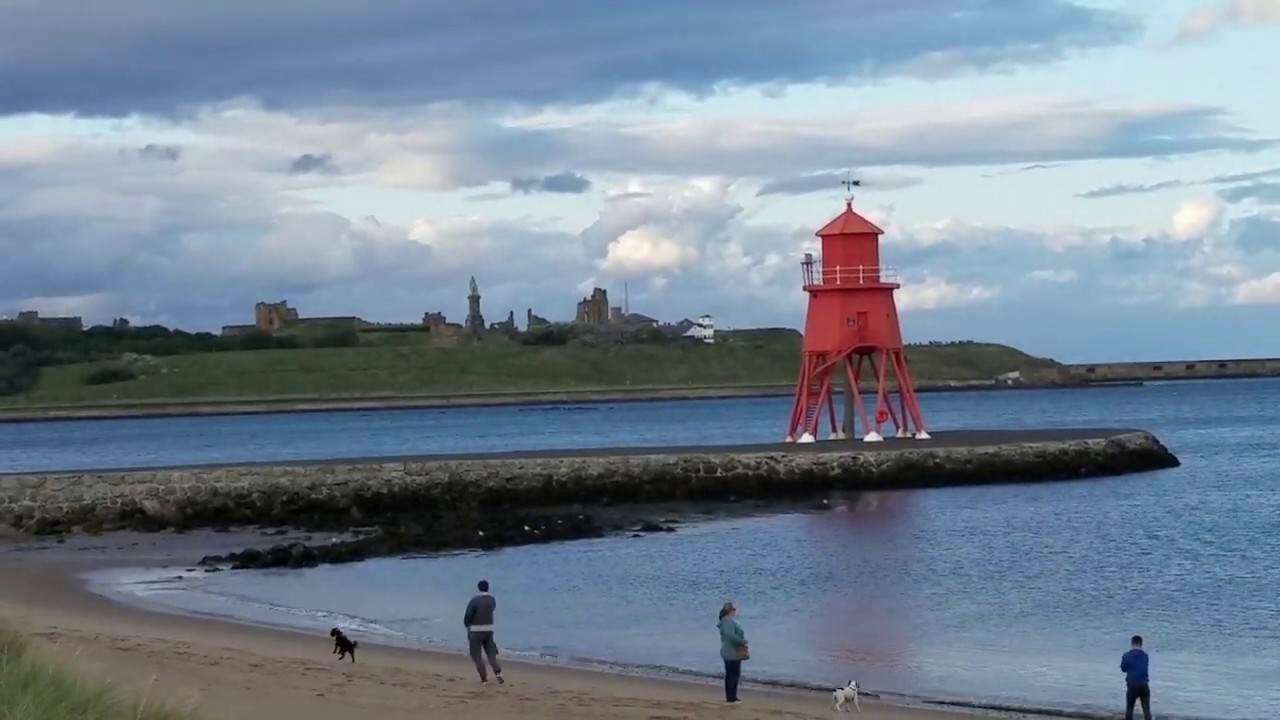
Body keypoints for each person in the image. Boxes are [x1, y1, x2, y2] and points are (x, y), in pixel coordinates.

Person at [463, 579, 504, 685]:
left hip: (476, 631)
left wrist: (467, 625)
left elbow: (468, 615)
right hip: (489, 630)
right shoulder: (492, 600)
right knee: (491, 653)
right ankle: (497, 672)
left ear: (479, 588)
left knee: (477, 656)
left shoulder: (474, 601)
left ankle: (484, 678)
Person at [717, 601, 748, 704]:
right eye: (734, 610)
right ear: (729, 611)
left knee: (730, 674)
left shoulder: (725, 622)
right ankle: (731, 698)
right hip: (731, 651)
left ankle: (731, 697)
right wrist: (741, 641)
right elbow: (729, 635)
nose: (735, 612)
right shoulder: (728, 622)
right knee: (734, 674)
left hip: (727, 650)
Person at [1120, 634, 1152, 720]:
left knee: (1130, 708)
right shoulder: (1145, 656)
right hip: (1144, 684)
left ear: (1132, 644)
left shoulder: (1127, 656)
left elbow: (1123, 668)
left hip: (1132, 685)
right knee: (1146, 709)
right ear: (1141, 644)